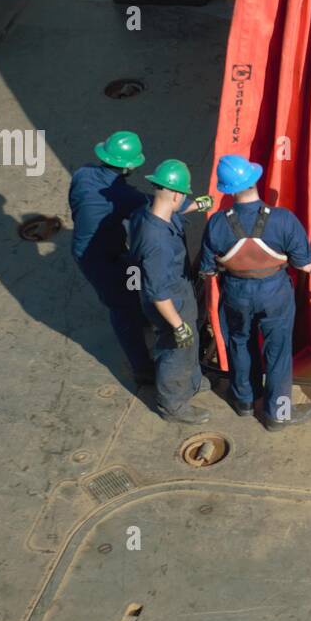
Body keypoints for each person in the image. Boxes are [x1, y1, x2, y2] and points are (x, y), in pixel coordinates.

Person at [198, 154, 311, 431]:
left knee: (240, 342)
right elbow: (305, 265)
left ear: (226, 189)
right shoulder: (283, 220)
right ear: (255, 180)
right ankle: (279, 414)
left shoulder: (216, 223)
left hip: (235, 292)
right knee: (278, 352)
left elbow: (208, 270)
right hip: (275, 293)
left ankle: (244, 400)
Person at [128, 159, 212, 424]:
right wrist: (177, 325)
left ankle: (191, 381)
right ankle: (171, 405)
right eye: (184, 194)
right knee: (176, 349)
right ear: (176, 193)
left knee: (191, 342)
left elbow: (175, 211)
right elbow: (157, 292)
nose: (184, 198)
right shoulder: (158, 244)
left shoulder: (147, 212)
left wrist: (198, 205)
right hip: (169, 300)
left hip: (178, 290)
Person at [68, 130, 154, 384]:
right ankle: (143, 369)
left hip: (91, 251)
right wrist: (198, 204)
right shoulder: (121, 195)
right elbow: (158, 205)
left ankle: (140, 315)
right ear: (128, 167)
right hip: (102, 260)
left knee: (132, 281)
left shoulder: (83, 174)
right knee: (122, 310)